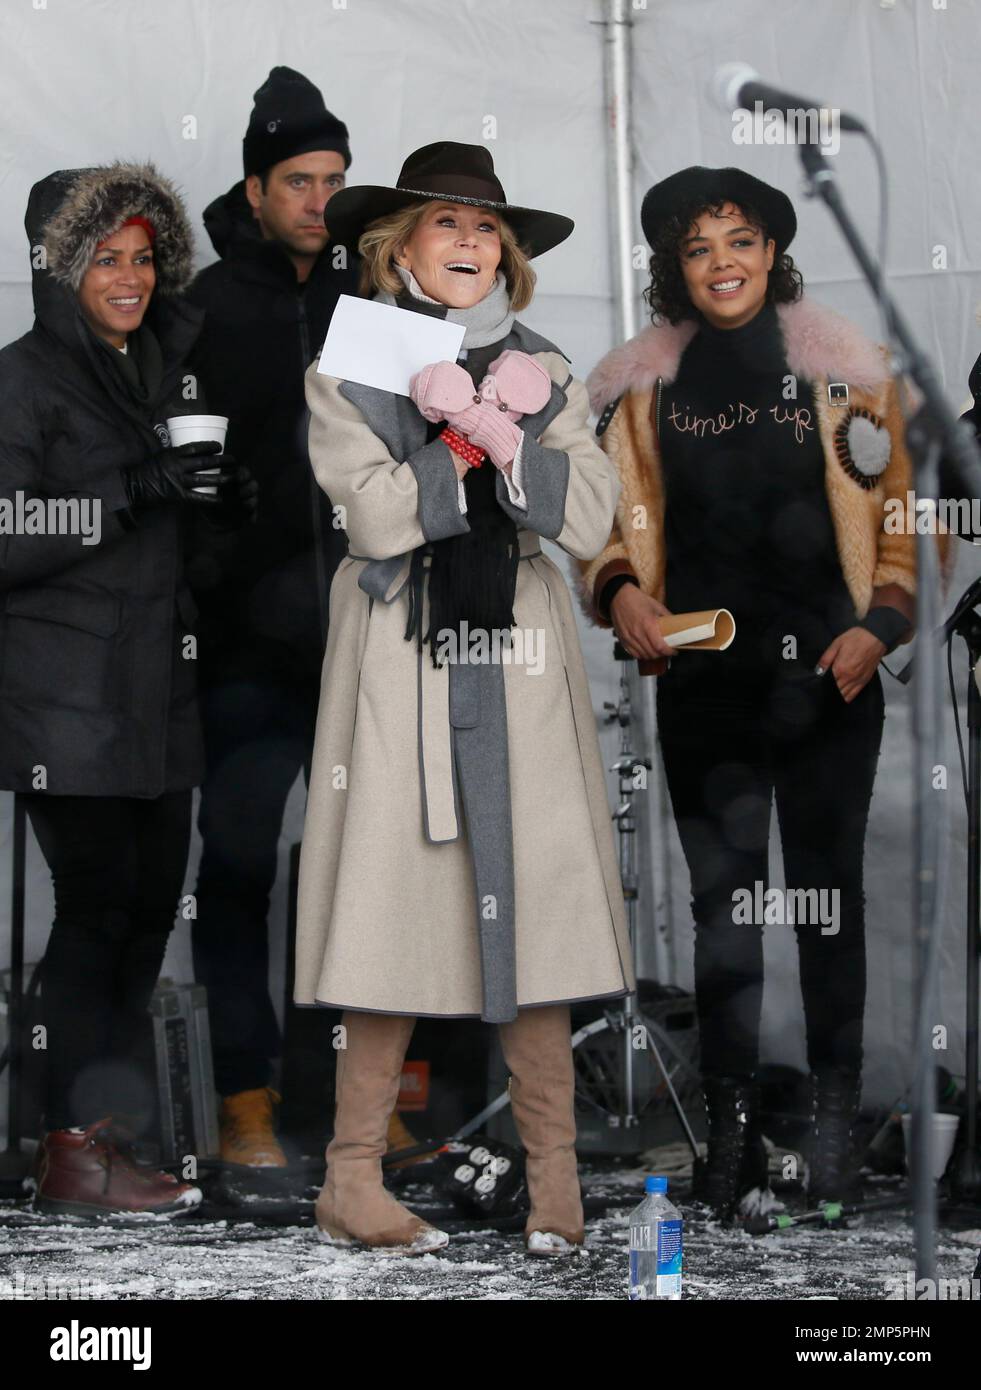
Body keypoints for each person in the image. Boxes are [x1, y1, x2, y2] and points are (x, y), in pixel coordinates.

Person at [578, 166, 949, 1221]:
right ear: (674, 271)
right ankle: (729, 1140)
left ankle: (833, 1139)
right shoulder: (643, 390)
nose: (722, 264)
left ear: (774, 251)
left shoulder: (848, 372)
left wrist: (878, 628)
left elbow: (908, 521)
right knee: (723, 915)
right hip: (704, 685)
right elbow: (606, 526)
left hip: (828, 680)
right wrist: (619, 595)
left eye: (739, 241)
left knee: (830, 907)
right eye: (698, 249)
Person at [294, 141, 635, 1254]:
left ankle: (557, 1183)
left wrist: (506, 436)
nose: (472, 245)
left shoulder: (547, 363)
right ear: (399, 244)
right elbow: (378, 518)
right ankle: (352, 1177)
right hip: (401, 646)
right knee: (394, 900)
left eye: (487, 229)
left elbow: (586, 521)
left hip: (522, 655)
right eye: (448, 225)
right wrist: (468, 441)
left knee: (532, 902)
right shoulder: (356, 359)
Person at [0, 161, 254, 1215]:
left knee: (151, 908)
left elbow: (170, 550)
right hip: (62, 691)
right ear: (58, 267)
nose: (130, 276)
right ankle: (69, 1146)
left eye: (145, 257)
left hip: (157, 684)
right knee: (99, 909)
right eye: (106, 256)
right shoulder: (20, 379)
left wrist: (216, 507)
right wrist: (135, 489)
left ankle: (104, 1136)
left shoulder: (159, 372)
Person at [184, 67, 359, 1169]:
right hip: (243, 644)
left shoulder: (377, 301)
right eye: (298, 179)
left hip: (364, 638)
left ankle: (352, 1098)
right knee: (240, 861)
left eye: (336, 179)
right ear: (254, 188)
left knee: (365, 871)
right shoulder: (196, 309)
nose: (319, 200)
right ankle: (244, 1099)